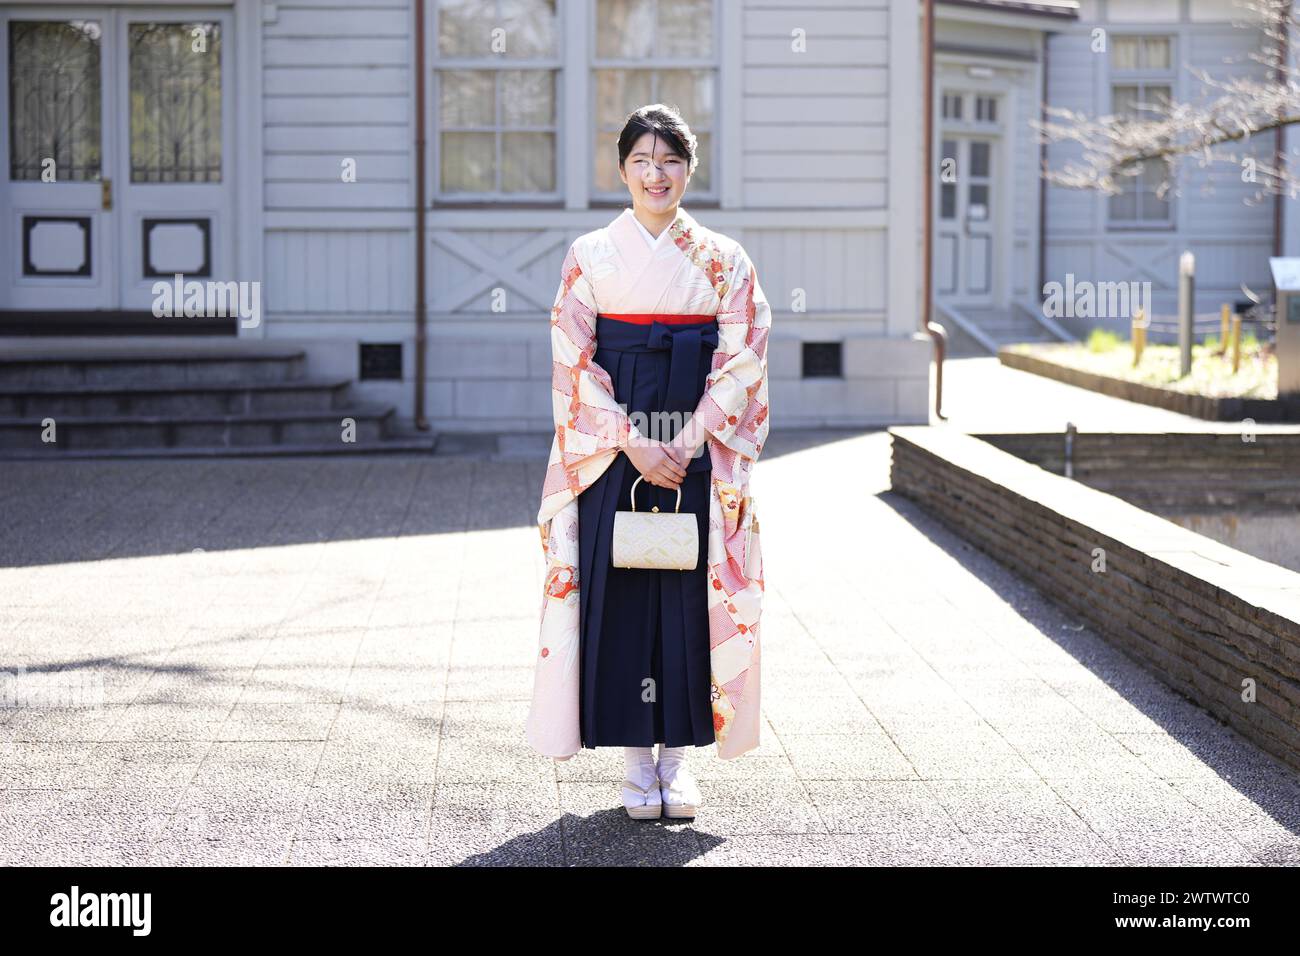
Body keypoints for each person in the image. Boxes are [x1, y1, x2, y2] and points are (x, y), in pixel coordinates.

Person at [527, 104, 771, 821]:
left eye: (669, 161)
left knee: (690, 600)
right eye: (642, 160)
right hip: (613, 451)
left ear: (689, 170)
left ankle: (677, 764)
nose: (655, 174)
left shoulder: (725, 259)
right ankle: (637, 765)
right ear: (622, 169)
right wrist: (631, 439)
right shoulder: (590, 254)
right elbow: (573, 357)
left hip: (698, 447)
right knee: (624, 598)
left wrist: (689, 439)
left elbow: (744, 358)